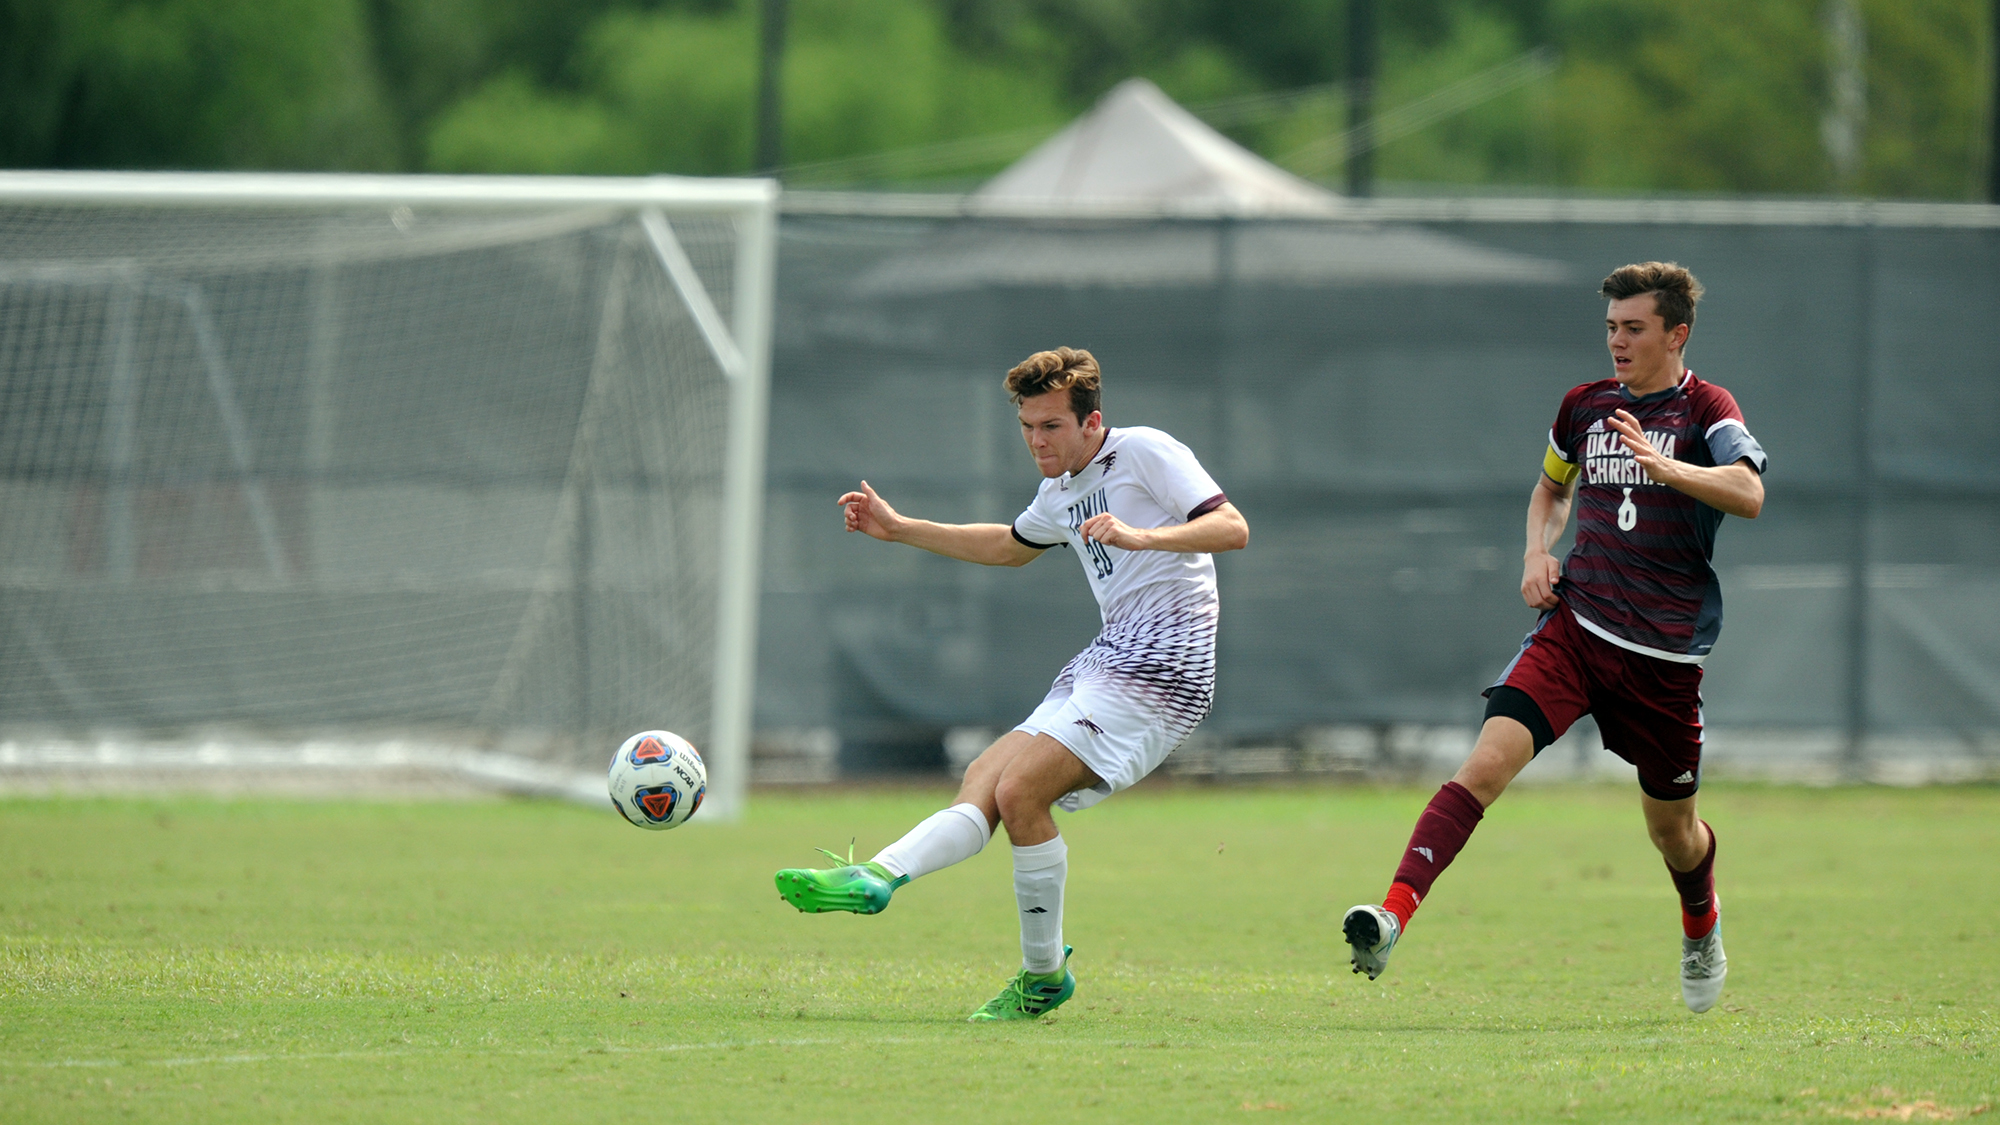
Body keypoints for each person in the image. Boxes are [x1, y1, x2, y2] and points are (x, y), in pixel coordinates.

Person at [1341, 262, 1767, 1014]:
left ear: (1678, 333)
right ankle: (1392, 914)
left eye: (1634, 328)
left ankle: (1700, 921)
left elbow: (1750, 490)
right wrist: (1537, 550)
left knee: (1674, 833)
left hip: (1663, 658)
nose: (1618, 342)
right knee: (1483, 767)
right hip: (1575, 630)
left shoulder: (1708, 407)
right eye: (1611, 328)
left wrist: (1666, 465)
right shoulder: (1583, 405)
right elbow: (1550, 487)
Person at [773, 346, 1248, 1021]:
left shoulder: (1145, 451)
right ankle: (877, 875)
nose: (1036, 440)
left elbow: (1233, 527)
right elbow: (1006, 546)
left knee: (1022, 792)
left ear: (1092, 422)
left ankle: (1041, 975)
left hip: (1164, 671)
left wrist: (1141, 537)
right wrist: (902, 528)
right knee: (985, 778)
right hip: (1106, 658)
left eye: (1051, 425)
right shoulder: (1058, 493)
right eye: (1028, 426)